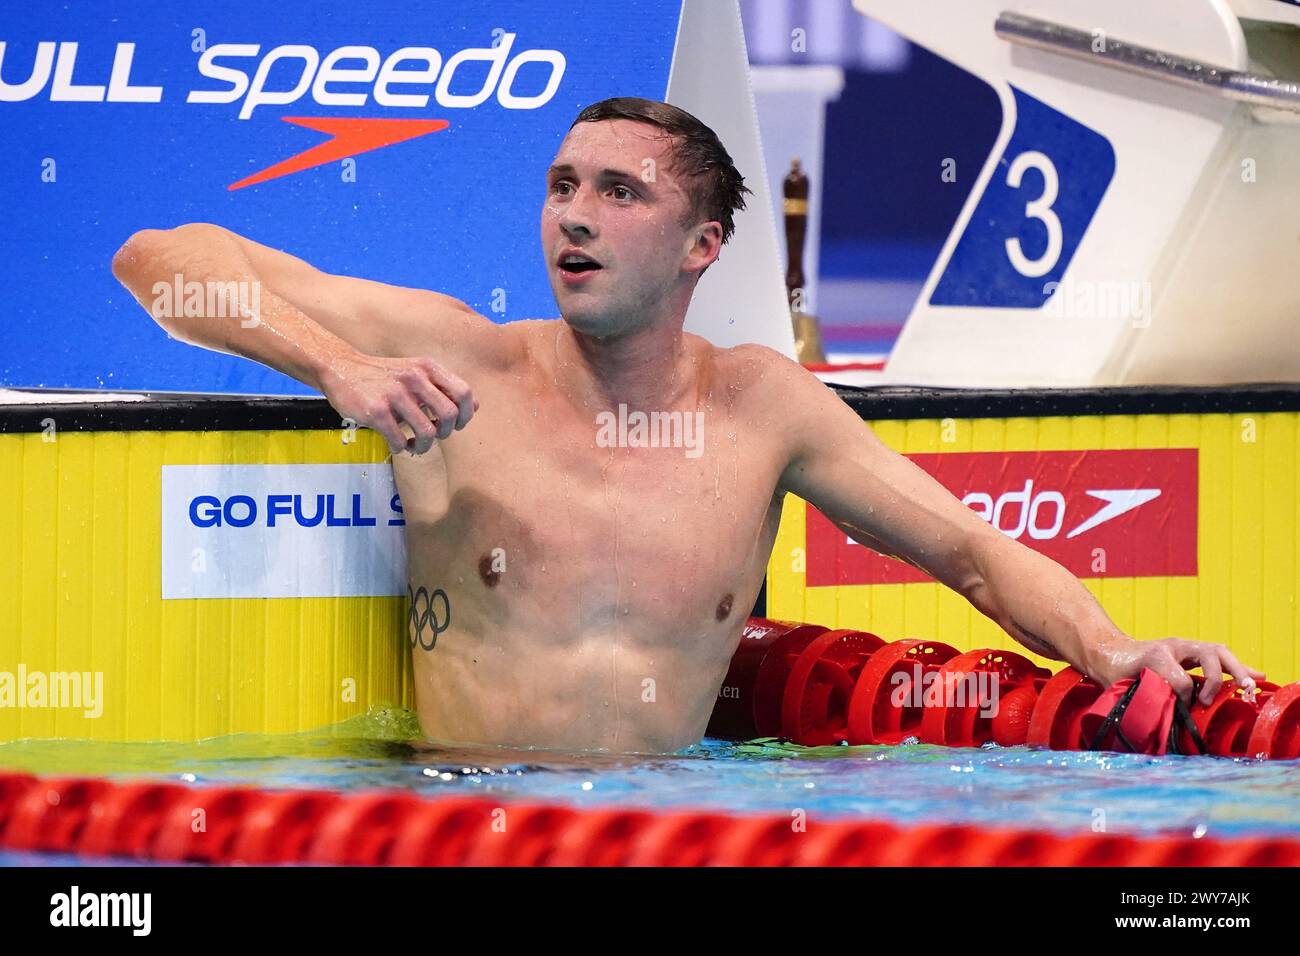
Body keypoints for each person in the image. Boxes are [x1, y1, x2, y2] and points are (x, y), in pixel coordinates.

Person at [111, 97, 1263, 754]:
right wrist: (339, 367)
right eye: (562, 184)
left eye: (620, 192)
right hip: (467, 822)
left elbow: (968, 548)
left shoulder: (761, 406)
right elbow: (159, 257)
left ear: (702, 245)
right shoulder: (466, 357)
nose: (574, 216)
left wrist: (1112, 651)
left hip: (678, 825)